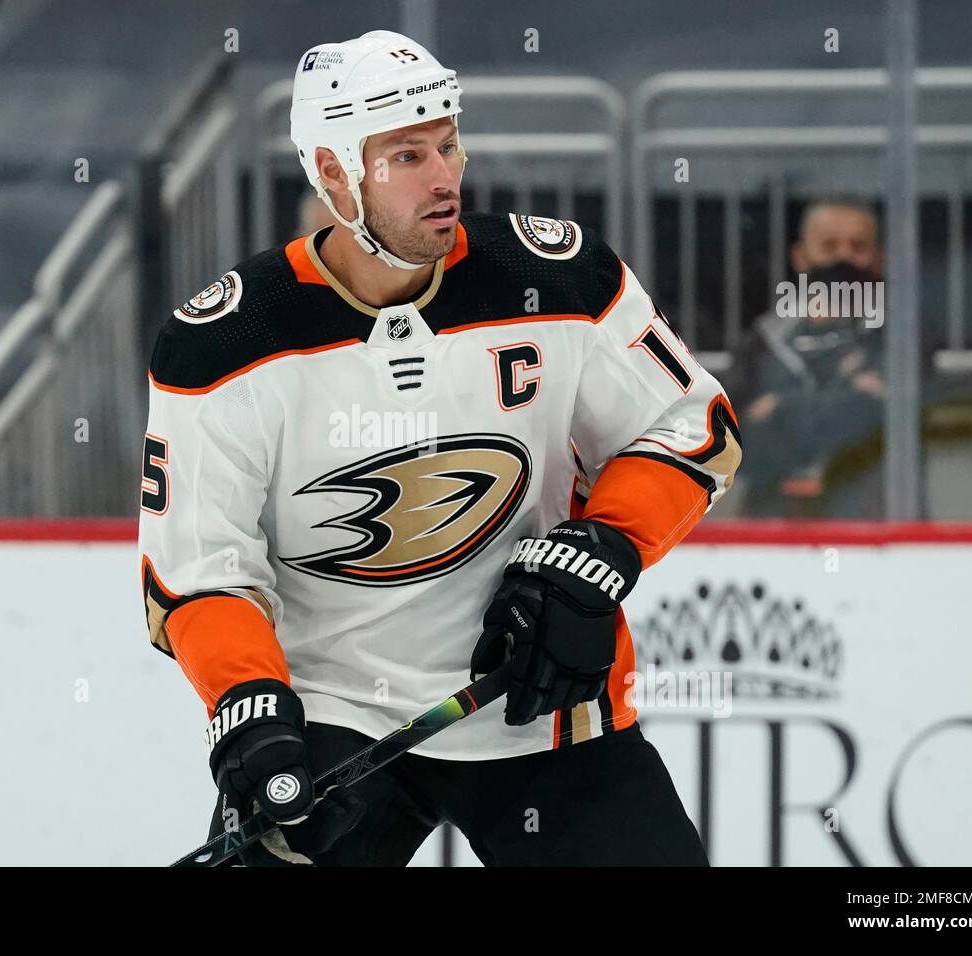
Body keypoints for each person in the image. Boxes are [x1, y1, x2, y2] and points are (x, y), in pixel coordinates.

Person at [139, 29, 741, 866]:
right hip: (335, 717)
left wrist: (603, 546)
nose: (444, 174)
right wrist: (245, 696)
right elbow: (197, 574)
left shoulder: (558, 279)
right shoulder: (229, 342)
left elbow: (693, 427)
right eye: (407, 154)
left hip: (539, 697)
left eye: (449, 143)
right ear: (337, 171)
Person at [726, 198, 886, 518]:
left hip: (875, 528)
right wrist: (849, 393)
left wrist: (779, 407)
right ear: (800, 256)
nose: (844, 258)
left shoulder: (901, 337)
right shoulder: (764, 338)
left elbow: (881, 418)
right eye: (829, 246)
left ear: (879, 258)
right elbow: (732, 440)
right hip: (769, 526)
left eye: (858, 247)